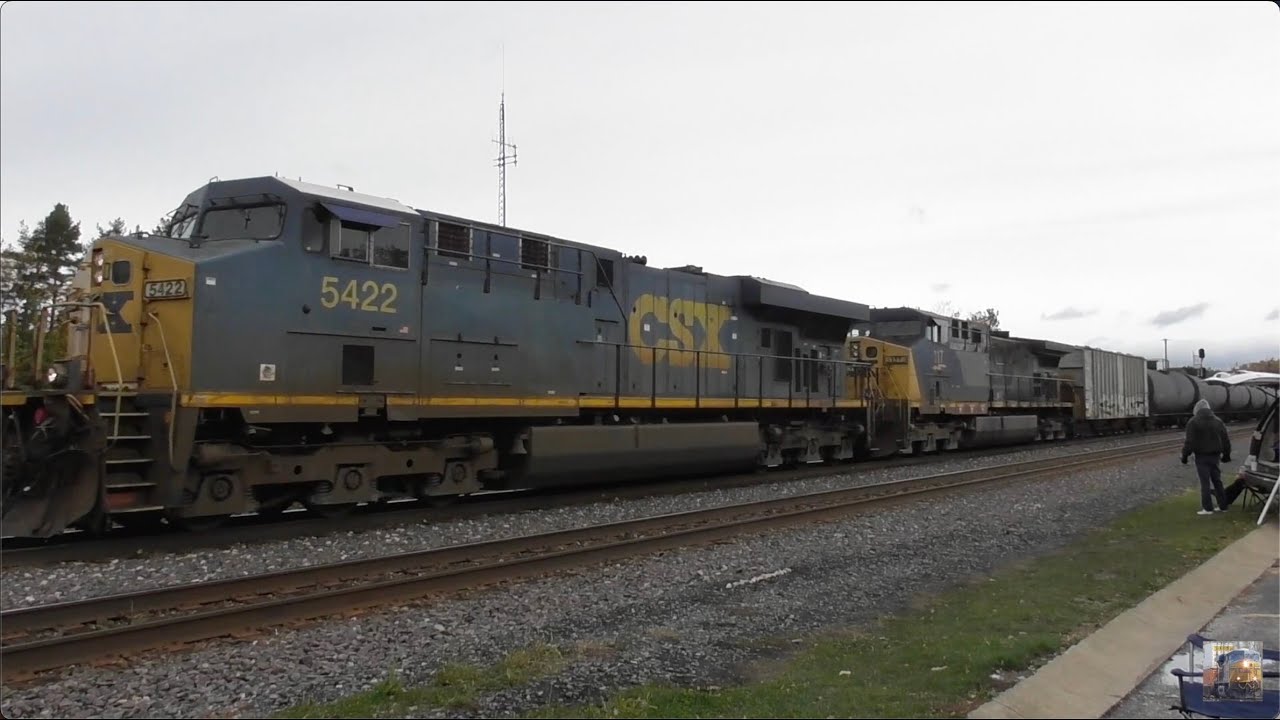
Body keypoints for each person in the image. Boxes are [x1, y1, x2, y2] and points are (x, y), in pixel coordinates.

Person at [1181, 398, 1232, 515]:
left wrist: (1184, 456)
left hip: (1201, 456)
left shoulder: (1193, 422)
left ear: (1197, 409)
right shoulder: (1218, 421)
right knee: (1217, 481)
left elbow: (1189, 442)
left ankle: (1208, 508)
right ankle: (1223, 505)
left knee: (1205, 482)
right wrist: (1226, 455)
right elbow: (1226, 440)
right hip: (1215, 456)